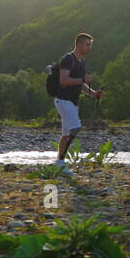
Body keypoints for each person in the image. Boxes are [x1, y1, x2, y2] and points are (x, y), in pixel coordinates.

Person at [54, 32, 103, 175]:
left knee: (66, 134)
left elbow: (81, 85)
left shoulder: (82, 62)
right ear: (79, 44)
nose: (90, 48)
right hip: (63, 100)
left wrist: (94, 93)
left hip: (73, 102)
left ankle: (59, 163)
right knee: (75, 128)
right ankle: (60, 162)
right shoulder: (68, 59)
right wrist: (83, 79)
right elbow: (63, 80)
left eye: (91, 45)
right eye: (88, 44)